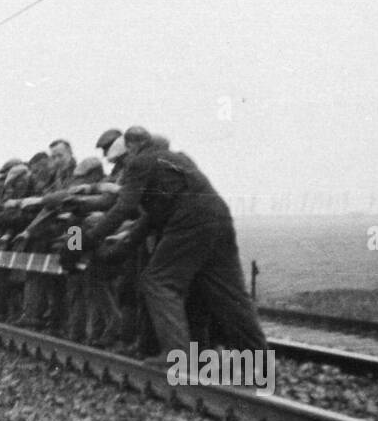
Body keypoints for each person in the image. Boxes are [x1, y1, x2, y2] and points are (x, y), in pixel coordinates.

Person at [83, 128, 266, 358]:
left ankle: (171, 355)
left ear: (130, 148)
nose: (119, 165)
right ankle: (259, 362)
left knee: (154, 283)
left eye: (120, 159)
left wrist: (84, 239)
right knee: (231, 292)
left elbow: (122, 206)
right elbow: (150, 213)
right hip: (214, 219)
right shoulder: (175, 162)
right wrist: (117, 240)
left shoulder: (137, 165)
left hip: (179, 227)